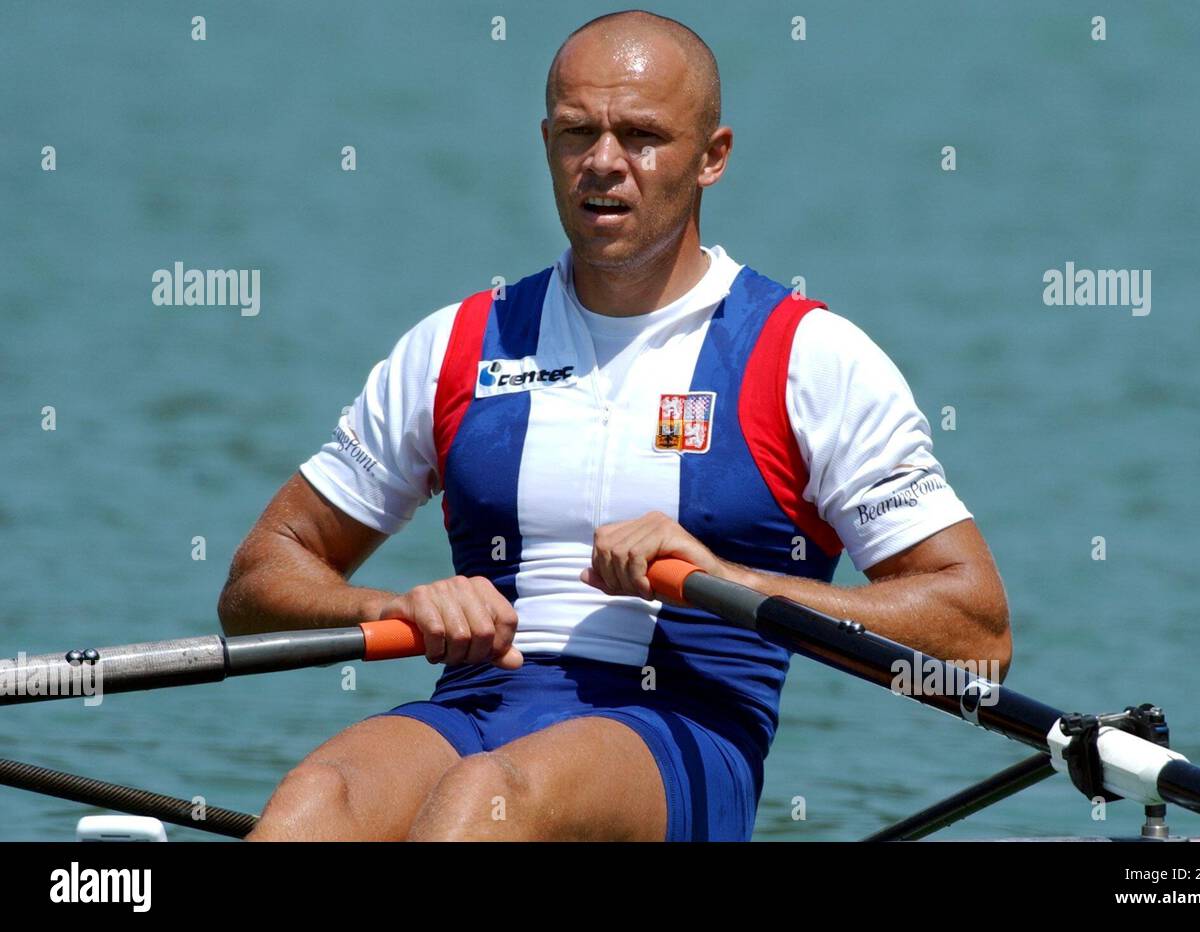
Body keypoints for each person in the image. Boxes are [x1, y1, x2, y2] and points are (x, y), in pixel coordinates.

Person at [217, 9, 1011, 842]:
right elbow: (256, 583)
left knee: (484, 801)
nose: (604, 163)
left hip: (683, 734)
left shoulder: (810, 359)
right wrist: (401, 604)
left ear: (713, 157)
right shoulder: (453, 345)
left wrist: (730, 580)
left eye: (642, 136)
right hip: (476, 706)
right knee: (313, 801)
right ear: (547, 142)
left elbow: (977, 633)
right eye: (576, 134)